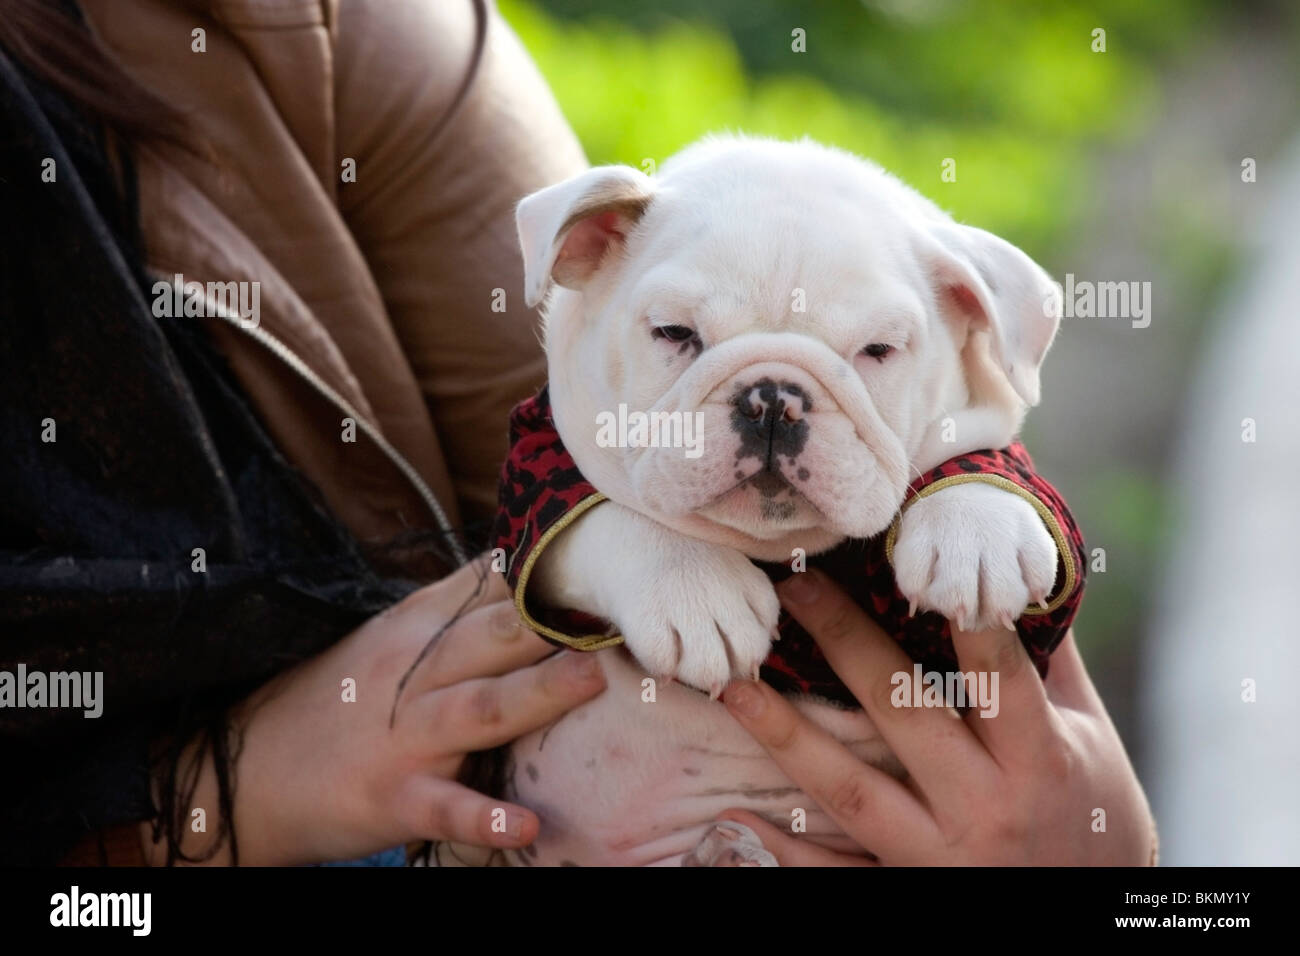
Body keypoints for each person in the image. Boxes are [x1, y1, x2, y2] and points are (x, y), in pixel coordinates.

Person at [0, 0, 1154, 866]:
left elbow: (547, 427)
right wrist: (220, 798)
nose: (767, 412)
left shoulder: (300, 31)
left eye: (867, 352)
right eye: (685, 340)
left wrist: (1106, 850)